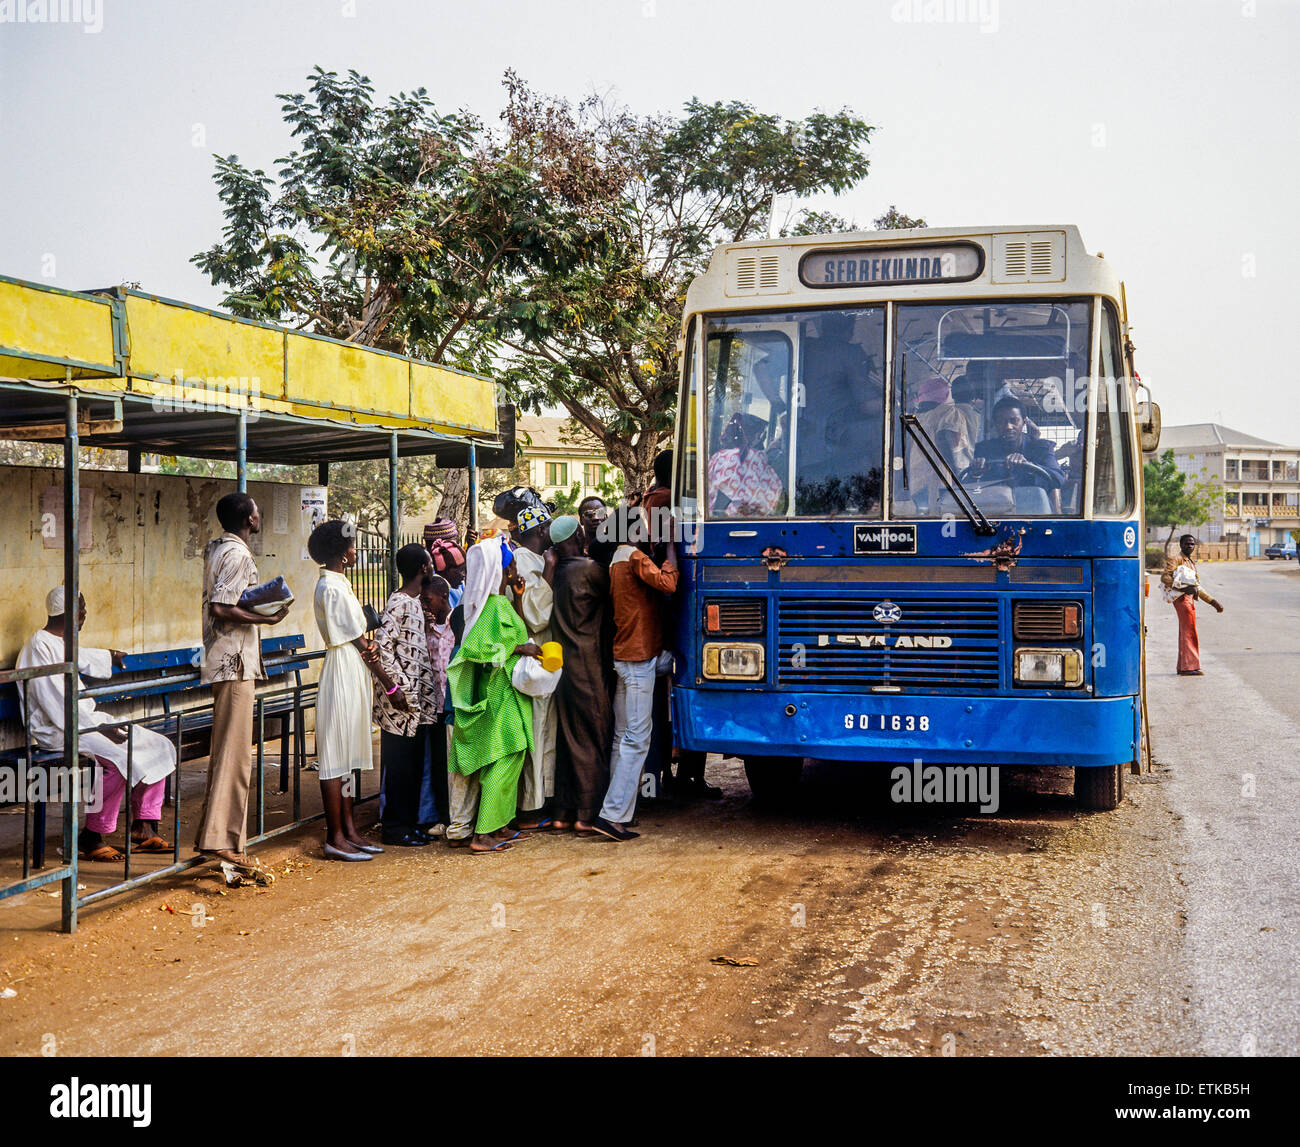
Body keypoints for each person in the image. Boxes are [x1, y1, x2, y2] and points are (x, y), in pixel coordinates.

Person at [16, 588, 177, 861]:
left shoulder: (60, 641)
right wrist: (98, 728)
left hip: (84, 720)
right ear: (74, 613)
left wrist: (109, 655)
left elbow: (83, 656)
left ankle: (144, 826)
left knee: (159, 744)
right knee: (117, 759)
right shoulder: (39, 646)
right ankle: (91, 836)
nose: (85, 614)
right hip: (60, 729)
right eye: (83, 608)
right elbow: (57, 703)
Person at [194, 491, 289, 871]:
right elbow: (221, 606)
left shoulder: (217, 548)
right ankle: (224, 841)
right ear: (249, 519)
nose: (259, 514)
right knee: (235, 759)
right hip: (233, 663)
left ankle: (213, 836)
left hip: (226, 660)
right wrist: (264, 618)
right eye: (255, 510)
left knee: (227, 755)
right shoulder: (237, 554)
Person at [309, 519, 403, 861]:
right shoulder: (331, 587)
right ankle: (335, 836)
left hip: (352, 666)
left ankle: (349, 830)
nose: (354, 551)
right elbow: (360, 641)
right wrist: (391, 685)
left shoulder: (338, 582)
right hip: (343, 667)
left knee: (347, 755)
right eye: (350, 547)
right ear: (339, 552)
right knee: (335, 756)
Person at [447, 537, 542, 853]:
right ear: (498, 568)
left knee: (509, 757)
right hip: (501, 696)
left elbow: (515, 631)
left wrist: (518, 599)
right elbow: (475, 650)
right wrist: (520, 648)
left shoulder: (496, 603)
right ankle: (483, 834)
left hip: (507, 693)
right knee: (504, 759)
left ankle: (499, 826)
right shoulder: (491, 606)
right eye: (510, 563)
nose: (514, 568)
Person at [599, 503, 679, 842]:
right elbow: (668, 583)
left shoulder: (617, 557)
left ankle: (621, 811)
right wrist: (672, 548)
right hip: (638, 657)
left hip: (624, 653)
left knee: (622, 738)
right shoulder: (633, 557)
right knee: (637, 738)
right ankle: (613, 814)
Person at [492, 487, 557, 831]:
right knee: (535, 731)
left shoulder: (526, 558)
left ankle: (537, 800)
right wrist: (549, 571)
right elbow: (535, 616)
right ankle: (529, 806)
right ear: (541, 531)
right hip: (531, 656)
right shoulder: (528, 562)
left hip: (539, 657)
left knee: (541, 729)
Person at [549, 515, 613, 832]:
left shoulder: (555, 571)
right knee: (595, 734)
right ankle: (587, 814)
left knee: (569, 737)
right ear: (579, 536)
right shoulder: (589, 570)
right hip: (587, 662)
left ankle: (563, 812)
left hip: (561, 664)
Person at [373, 543, 437, 847]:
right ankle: (395, 827)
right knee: (399, 766)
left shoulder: (415, 602)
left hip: (416, 702)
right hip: (400, 701)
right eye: (430, 562)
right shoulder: (398, 602)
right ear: (423, 568)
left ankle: (409, 824)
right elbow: (382, 648)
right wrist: (395, 688)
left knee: (412, 766)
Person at [967, 396, 1064, 498]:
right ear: (995, 424)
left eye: (1014, 421)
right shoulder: (983, 450)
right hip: (994, 509)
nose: (1008, 426)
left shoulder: (1041, 448)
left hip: (1033, 508)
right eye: (1001, 421)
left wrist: (1029, 466)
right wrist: (975, 474)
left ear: (1024, 422)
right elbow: (968, 487)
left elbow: (1059, 479)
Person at [419, 573, 455, 836]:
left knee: (458, 764)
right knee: (440, 766)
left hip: (455, 706)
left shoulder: (459, 626)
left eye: (428, 600)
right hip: (435, 708)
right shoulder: (425, 631)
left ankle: (461, 816)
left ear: (444, 597)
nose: (425, 606)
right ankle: (444, 816)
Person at [905, 376, 974, 509]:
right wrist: (955, 476)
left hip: (916, 482)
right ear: (947, 395)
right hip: (938, 481)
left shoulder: (913, 418)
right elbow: (943, 438)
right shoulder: (949, 412)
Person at [1161, 535, 1224, 676]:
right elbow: (1165, 577)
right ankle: (1188, 667)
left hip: (1189, 598)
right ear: (1181, 545)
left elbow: (1197, 588)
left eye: (1192, 544)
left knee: (1187, 631)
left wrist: (1213, 602)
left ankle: (1184, 666)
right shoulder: (1176, 559)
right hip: (1182, 599)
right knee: (1189, 632)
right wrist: (1182, 588)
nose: (1189, 546)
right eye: (1186, 544)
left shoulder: (1190, 562)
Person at [707, 412, 785, 518]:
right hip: (748, 521)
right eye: (762, 435)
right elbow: (775, 493)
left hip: (713, 520)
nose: (763, 440)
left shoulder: (717, 457)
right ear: (756, 435)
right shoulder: (757, 458)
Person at [427, 537, 467, 609]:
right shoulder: (438, 595)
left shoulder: (455, 588)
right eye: (461, 570)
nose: (463, 575)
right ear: (448, 570)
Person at [580, 496, 615, 568]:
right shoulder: (576, 548)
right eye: (589, 514)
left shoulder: (614, 545)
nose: (595, 518)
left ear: (606, 517)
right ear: (581, 520)